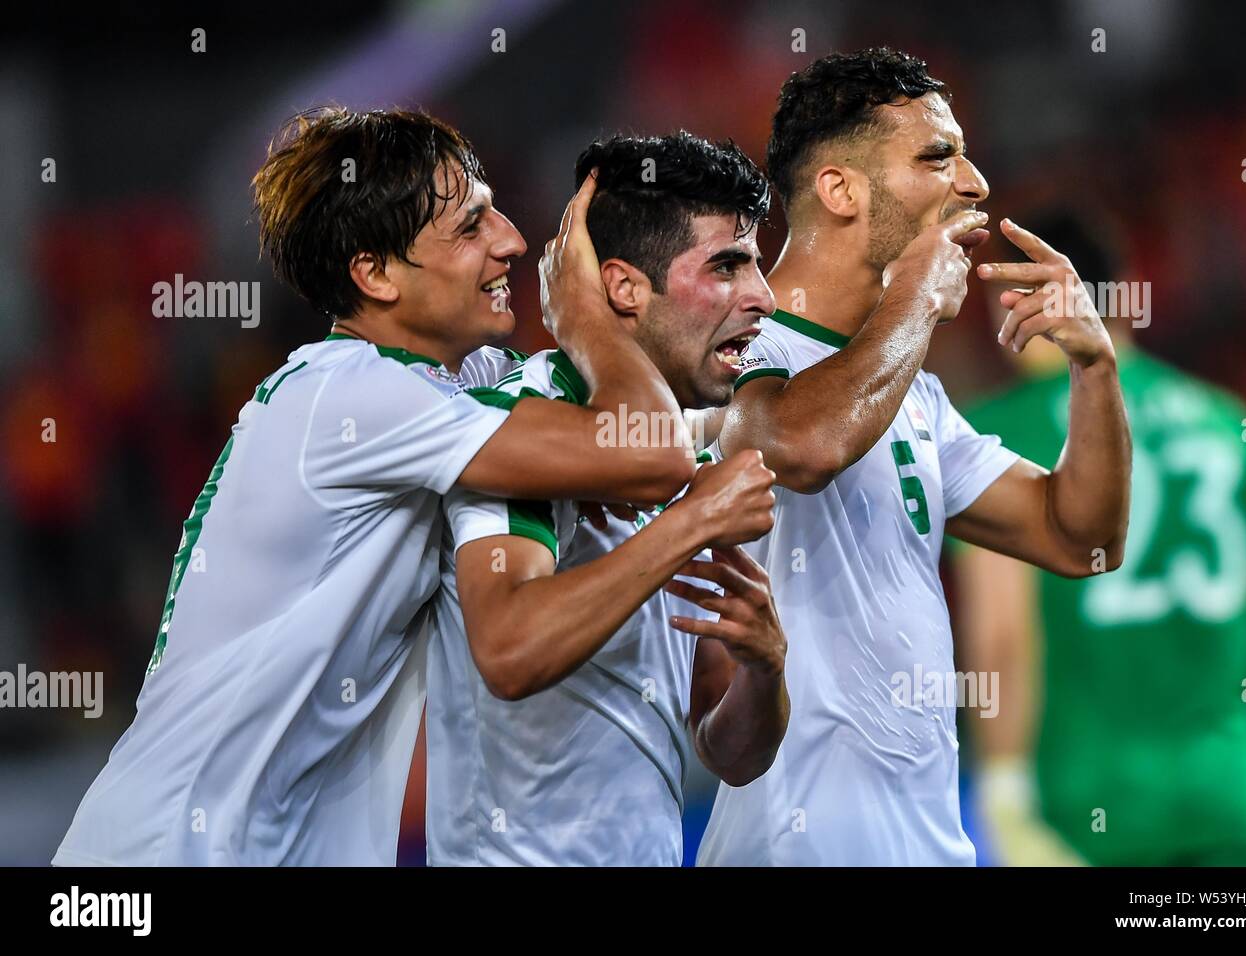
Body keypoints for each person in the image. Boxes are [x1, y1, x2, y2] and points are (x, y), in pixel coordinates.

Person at [54, 107, 697, 866]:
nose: (513, 243)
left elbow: (666, 431)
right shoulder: (351, 396)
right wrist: (585, 315)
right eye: (470, 227)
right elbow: (653, 451)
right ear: (375, 273)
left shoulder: (446, 386)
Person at [696, 48, 1131, 866]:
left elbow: (1083, 540)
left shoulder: (915, 394)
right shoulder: (729, 346)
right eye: (938, 156)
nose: (974, 183)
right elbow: (801, 444)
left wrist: (1095, 370)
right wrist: (917, 297)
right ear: (840, 190)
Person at [427, 132, 789, 866]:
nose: (763, 296)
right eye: (727, 265)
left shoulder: (693, 454)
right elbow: (509, 650)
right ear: (622, 287)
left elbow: (728, 751)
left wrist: (765, 671)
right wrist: (693, 523)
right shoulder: (512, 423)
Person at [957, 209, 1246, 866]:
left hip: (1088, 811)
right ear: (1125, 288)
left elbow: (1003, 635)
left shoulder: (999, 432)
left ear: (1013, 303)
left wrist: (1001, 788)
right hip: (1233, 797)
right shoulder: (1231, 423)